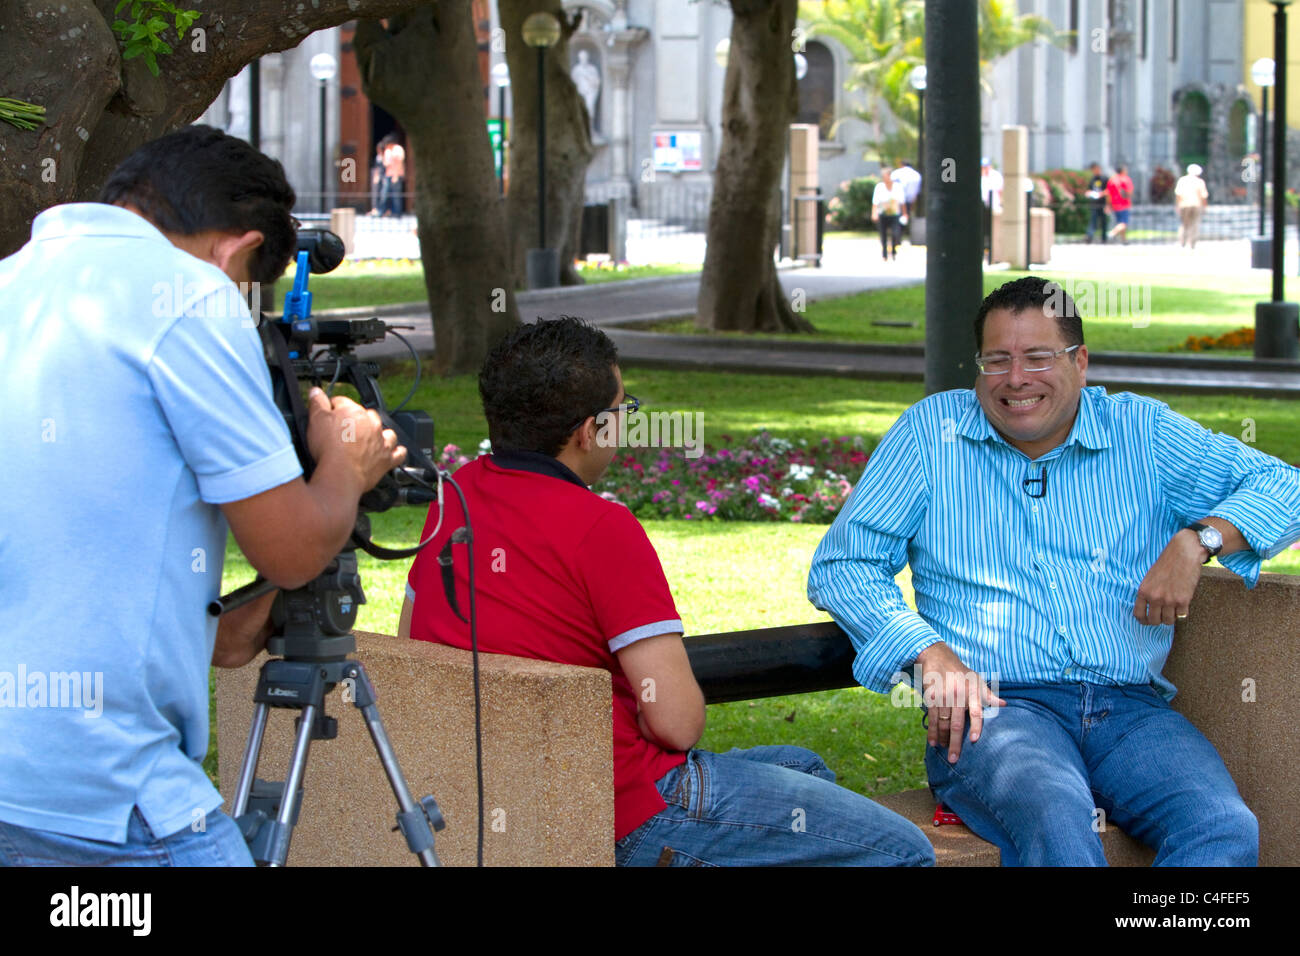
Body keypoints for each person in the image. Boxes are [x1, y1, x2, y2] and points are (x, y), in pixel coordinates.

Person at [0, 125, 406, 866]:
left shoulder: (17, 282)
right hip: (103, 791)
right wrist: (346, 465)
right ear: (233, 251)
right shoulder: (190, 296)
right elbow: (290, 551)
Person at [399, 317, 935, 867]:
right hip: (626, 812)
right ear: (588, 432)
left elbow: (412, 646)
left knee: (803, 767)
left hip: (512, 795)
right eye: (623, 410)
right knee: (906, 850)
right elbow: (676, 724)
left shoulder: (452, 498)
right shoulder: (601, 528)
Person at [808, 275, 1300, 866]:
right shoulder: (930, 435)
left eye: (1038, 357)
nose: (1016, 379)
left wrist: (1200, 540)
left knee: (1222, 827)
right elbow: (843, 563)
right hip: (997, 711)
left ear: (1081, 361)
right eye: (997, 360)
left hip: (1130, 709)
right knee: (1058, 825)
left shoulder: (1141, 431)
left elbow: (1285, 485)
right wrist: (926, 652)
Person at [872, 167, 906, 261]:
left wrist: (904, 214)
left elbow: (902, 202)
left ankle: (894, 250)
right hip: (883, 214)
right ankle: (885, 254)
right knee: (883, 235)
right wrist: (874, 213)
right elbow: (875, 202)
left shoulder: (898, 187)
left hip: (895, 215)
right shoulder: (879, 187)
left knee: (896, 233)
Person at [1175, 163, 1209, 249]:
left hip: (1184, 204)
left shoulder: (1182, 180)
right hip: (1196, 204)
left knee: (1184, 224)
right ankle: (1192, 243)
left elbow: (1178, 194)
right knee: (1194, 223)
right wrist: (1205, 206)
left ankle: (1182, 241)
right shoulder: (1200, 182)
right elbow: (1203, 196)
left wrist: (1178, 205)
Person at [1105, 163, 1134, 243]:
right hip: (1124, 204)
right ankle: (1112, 232)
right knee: (1123, 223)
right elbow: (1129, 192)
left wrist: (1108, 205)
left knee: (1120, 222)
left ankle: (1124, 240)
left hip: (1115, 204)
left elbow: (1108, 194)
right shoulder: (1125, 179)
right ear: (1123, 171)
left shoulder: (1112, 180)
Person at [380, 134, 407, 216]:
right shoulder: (387, 151)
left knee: (396, 194)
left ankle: (397, 212)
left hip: (397, 175)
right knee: (384, 194)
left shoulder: (398, 149)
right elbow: (385, 163)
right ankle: (383, 211)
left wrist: (395, 175)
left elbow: (399, 163)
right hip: (388, 175)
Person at [1084, 161, 1108, 244]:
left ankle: (1104, 238)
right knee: (1093, 221)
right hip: (1094, 203)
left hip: (1102, 203)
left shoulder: (1104, 178)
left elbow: (1108, 190)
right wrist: (1088, 193)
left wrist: (1102, 194)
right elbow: (1089, 189)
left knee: (1103, 221)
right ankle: (1089, 236)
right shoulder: (1093, 179)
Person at [892, 156, 922, 221]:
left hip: (897, 200)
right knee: (906, 217)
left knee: (896, 218)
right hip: (910, 200)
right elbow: (916, 191)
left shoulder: (897, 173)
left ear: (901, 164)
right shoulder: (916, 175)